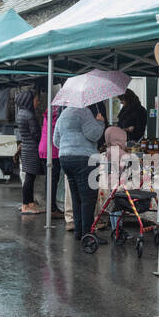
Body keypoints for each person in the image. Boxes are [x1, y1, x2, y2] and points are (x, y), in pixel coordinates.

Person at [53, 101, 106, 247]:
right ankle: (88, 234)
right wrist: (100, 123)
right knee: (88, 197)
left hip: (65, 158)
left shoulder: (63, 115)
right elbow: (94, 135)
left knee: (76, 196)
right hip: (85, 159)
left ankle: (79, 232)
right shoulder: (83, 112)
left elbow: (56, 141)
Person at [15, 89, 43, 214]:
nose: (37, 103)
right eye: (36, 100)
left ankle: (30, 202)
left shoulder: (20, 113)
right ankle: (26, 204)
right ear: (29, 101)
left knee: (29, 177)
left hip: (26, 148)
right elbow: (36, 134)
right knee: (30, 178)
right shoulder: (29, 115)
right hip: (32, 149)